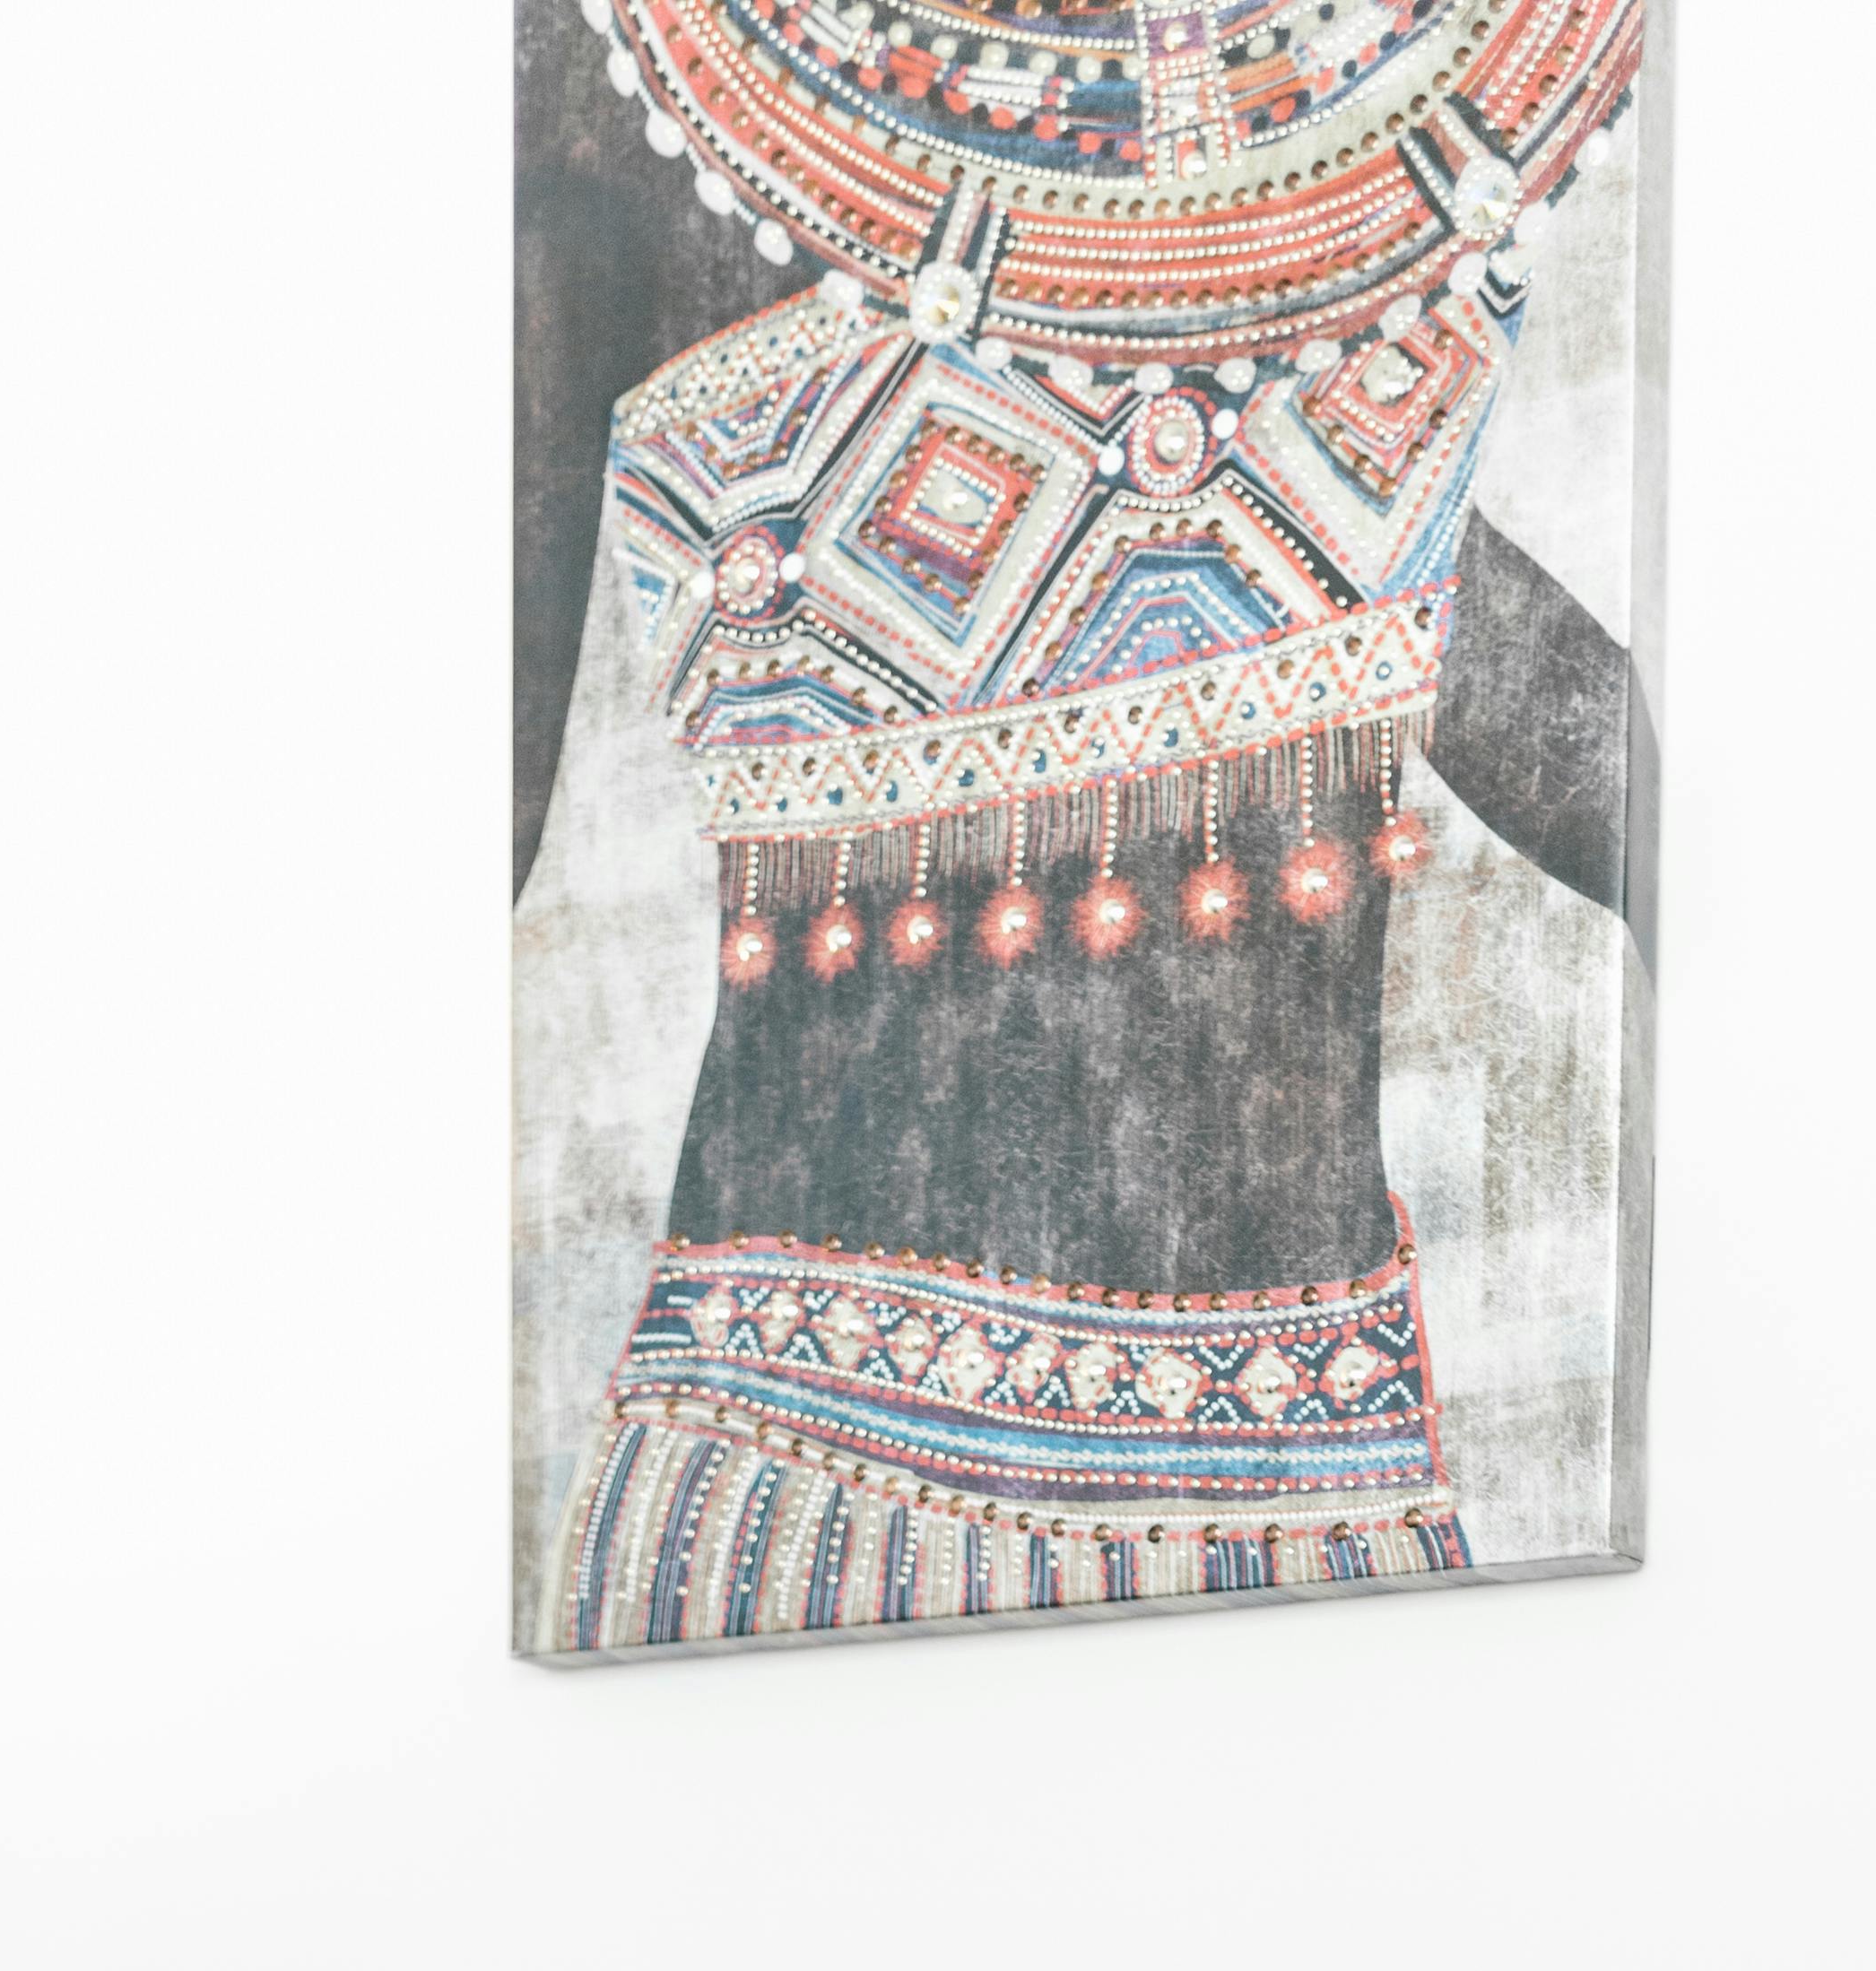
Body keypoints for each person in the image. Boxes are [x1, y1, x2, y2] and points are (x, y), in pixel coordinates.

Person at [517, 0, 1647, 1639]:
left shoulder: (1399, 86)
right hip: (803, 1499)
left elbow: (1370, 597)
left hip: (1318, 1508)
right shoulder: (622, 72)